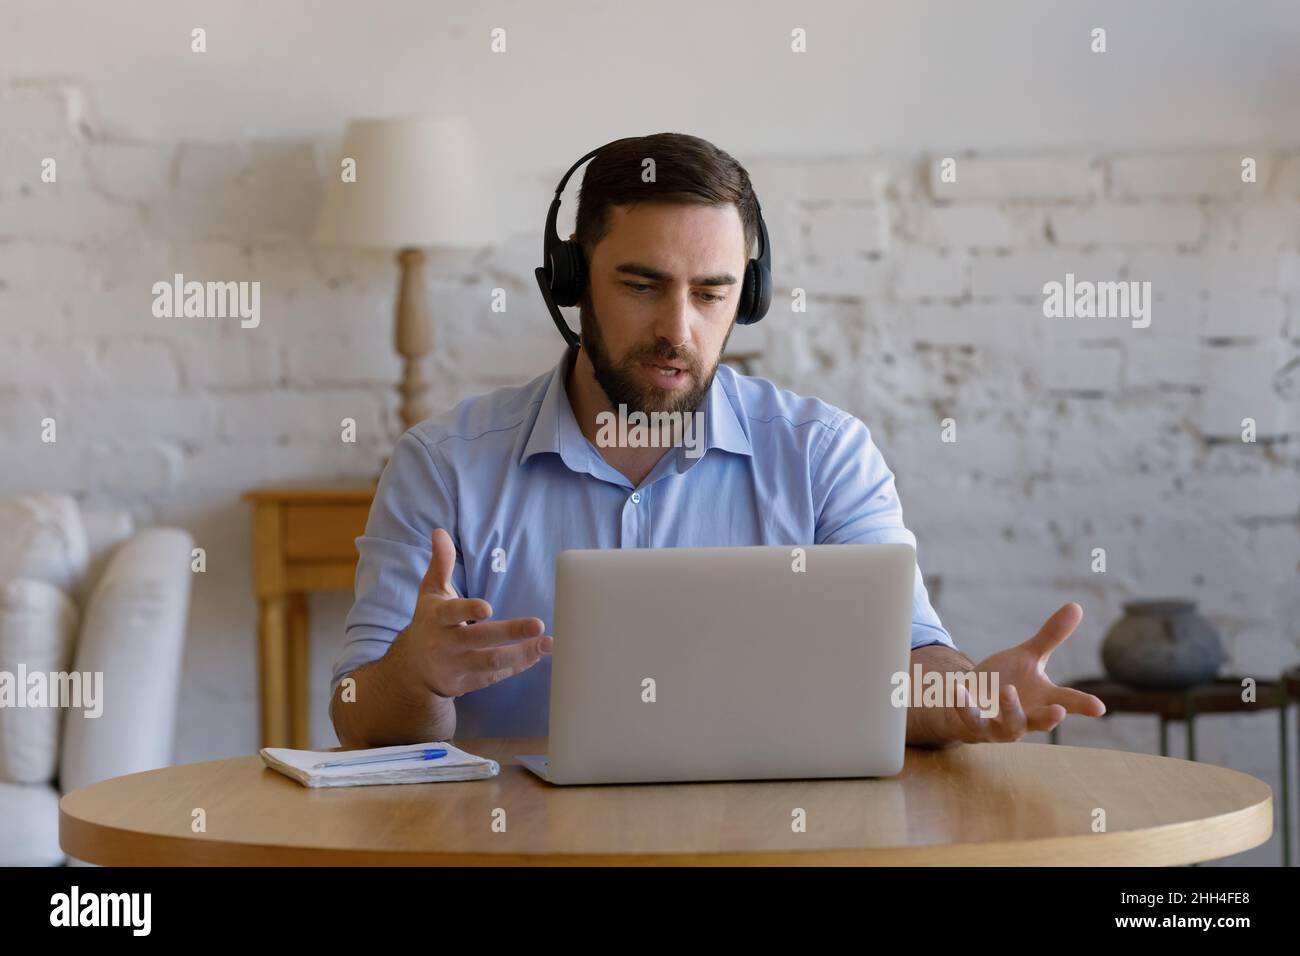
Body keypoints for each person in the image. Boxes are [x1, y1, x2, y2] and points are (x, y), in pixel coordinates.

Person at [329, 132, 1105, 749]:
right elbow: (360, 717)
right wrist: (416, 677)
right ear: (571, 280)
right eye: (641, 286)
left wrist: (966, 693)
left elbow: (904, 666)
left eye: (711, 293)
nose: (678, 329)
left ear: (750, 295)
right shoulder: (444, 464)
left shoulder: (823, 455)